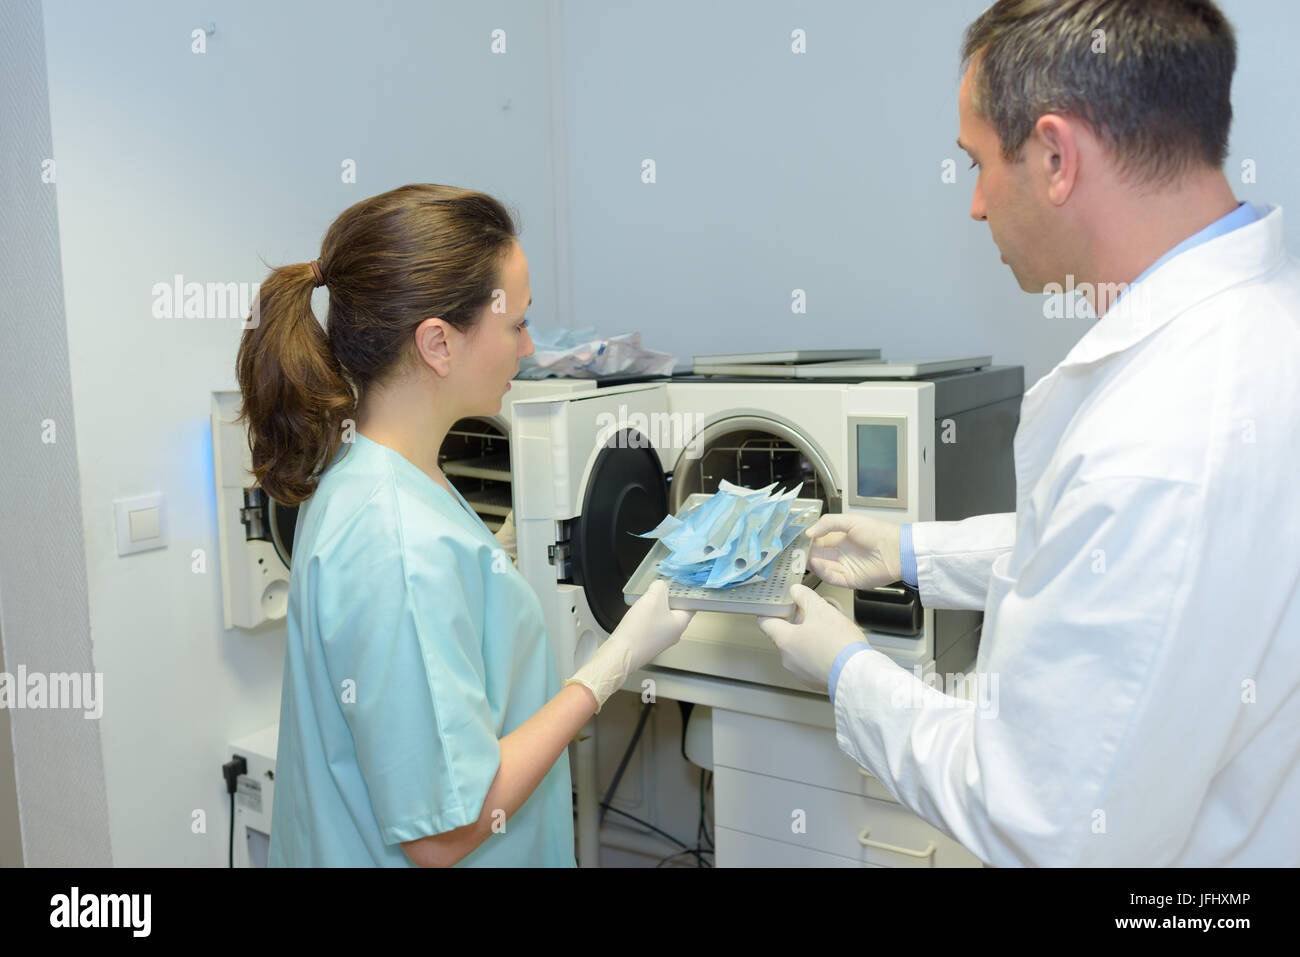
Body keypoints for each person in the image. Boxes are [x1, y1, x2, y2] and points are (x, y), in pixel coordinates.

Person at [759, 0, 1300, 866]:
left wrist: (848, 671)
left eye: (976, 163)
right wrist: (912, 552)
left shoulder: (1164, 434)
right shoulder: (1255, 330)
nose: (975, 206)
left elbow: (1038, 821)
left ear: (1055, 156)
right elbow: (1111, 556)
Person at [236, 184, 693, 867]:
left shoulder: (382, 471)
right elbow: (445, 829)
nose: (531, 346)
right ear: (438, 343)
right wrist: (612, 666)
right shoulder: (395, 538)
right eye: (515, 325)